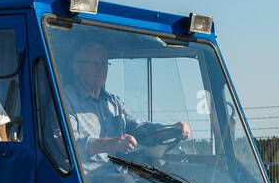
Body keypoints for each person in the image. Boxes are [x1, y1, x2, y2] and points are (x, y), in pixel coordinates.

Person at [62, 37, 190, 160]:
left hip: (119, 172)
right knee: (126, 182)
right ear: (76, 67)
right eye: (95, 63)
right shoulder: (65, 99)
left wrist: (169, 131)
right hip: (86, 178)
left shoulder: (113, 103)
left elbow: (139, 129)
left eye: (104, 64)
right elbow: (65, 144)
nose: (101, 69)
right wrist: (111, 144)